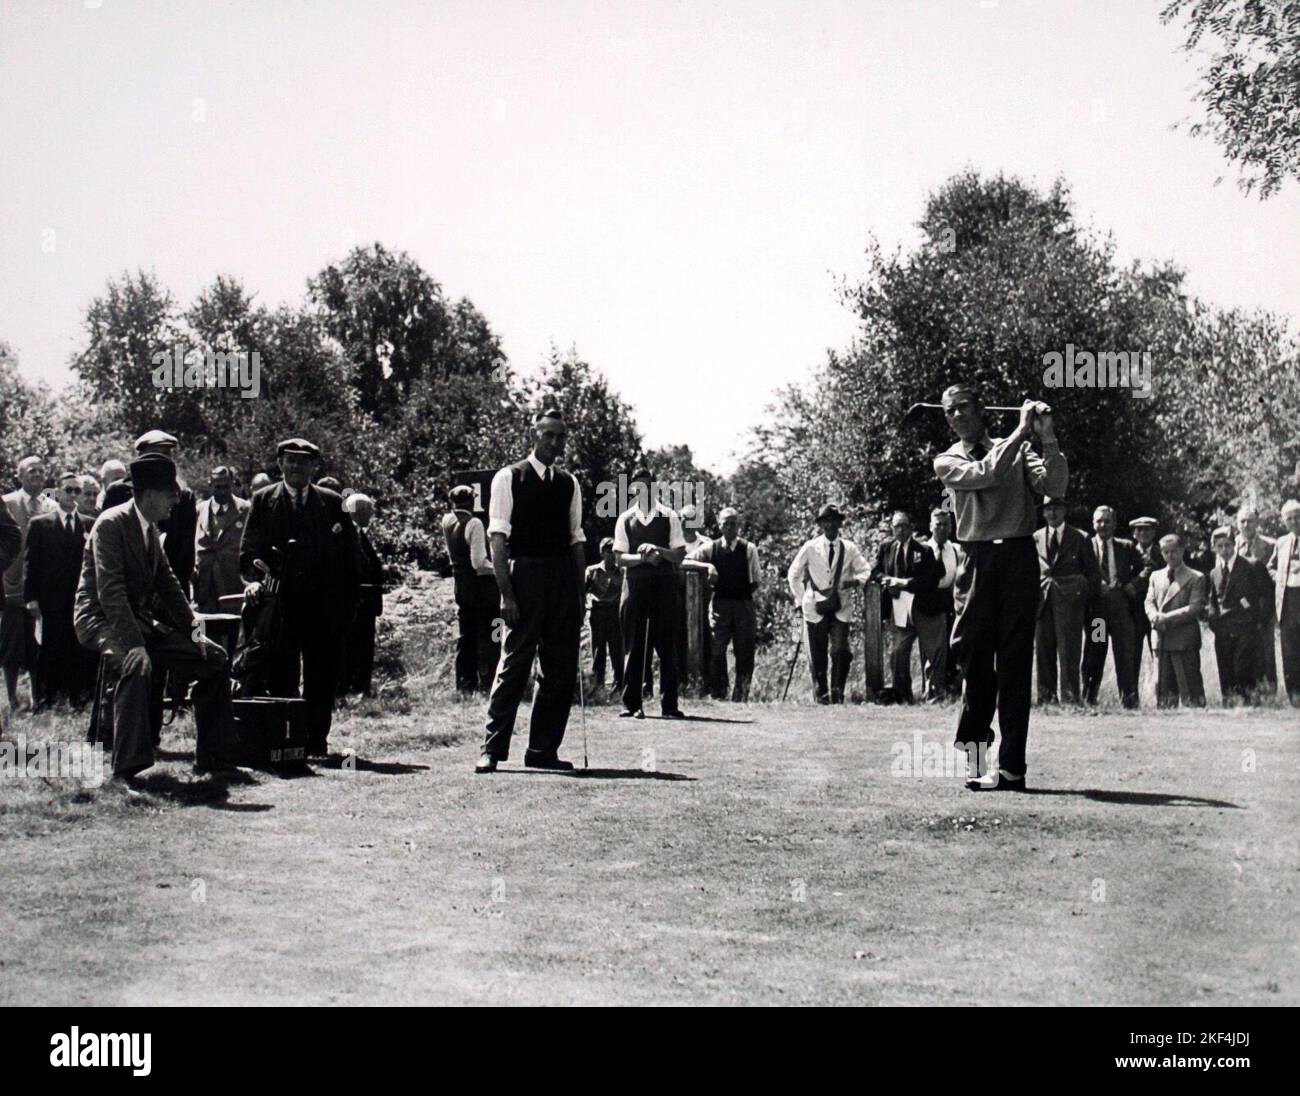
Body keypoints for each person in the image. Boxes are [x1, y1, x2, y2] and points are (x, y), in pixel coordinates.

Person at [934, 387, 1066, 791]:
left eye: (963, 406)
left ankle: (1012, 767)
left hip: (1017, 558)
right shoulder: (948, 459)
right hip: (975, 561)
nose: (956, 415)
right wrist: (1022, 430)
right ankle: (976, 759)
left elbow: (1054, 488)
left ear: (981, 409)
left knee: (1013, 664)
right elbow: (986, 473)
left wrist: (1047, 439)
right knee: (974, 660)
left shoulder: (1020, 448)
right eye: (949, 410)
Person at [73, 453, 235, 779]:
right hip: (100, 619)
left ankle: (214, 759)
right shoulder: (110, 525)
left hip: (139, 621)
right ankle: (127, 770)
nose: (176, 500)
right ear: (148, 495)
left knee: (214, 659)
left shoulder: (149, 529)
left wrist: (195, 634)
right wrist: (134, 645)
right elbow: (111, 594)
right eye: (169, 493)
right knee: (136, 667)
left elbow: (170, 586)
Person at [476, 408, 586, 773]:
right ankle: (492, 749)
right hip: (524, 577)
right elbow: (497, 539)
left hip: (562, 582)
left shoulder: (570, 483)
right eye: (548, 434)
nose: (554, 442)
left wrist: (579, 589)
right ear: (534, 434)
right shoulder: (509, 477)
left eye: (560, 436)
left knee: (559, 669)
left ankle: (542, 750)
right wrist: (506, 593)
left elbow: (576, 539)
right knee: (514, 663)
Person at [240, 438, 358, 756]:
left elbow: (352, 559)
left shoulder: (332, 503)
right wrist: (253, 583)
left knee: (322, 675)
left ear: (313, 467)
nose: (296, 467)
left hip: (323, 608)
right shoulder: (263, 500)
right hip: (281, 606)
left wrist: (348, 607)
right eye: (290, 461)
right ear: (279, 465)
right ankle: (287, 742)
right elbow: (248, 551)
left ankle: (316, 740)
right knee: (282, 673)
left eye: (303, 462)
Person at [614, 466, 688, 719]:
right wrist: (644, 557)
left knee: (667, 646)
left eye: (647, 486)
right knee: (634, 646)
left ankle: (670, 706)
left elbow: (679, 554)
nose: (642, 491)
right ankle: (631, 703)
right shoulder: (625, 518)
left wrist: (658, 550)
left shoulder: (669, 516)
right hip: (635, 588)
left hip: (664, 587)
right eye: (638, 487)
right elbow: (620, 558)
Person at [23, 472, 94, 708]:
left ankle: (78, 696)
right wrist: (31, 597)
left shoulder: (89, 523)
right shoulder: (41, 524)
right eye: (68, 490)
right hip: (50, 598)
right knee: (50, 646)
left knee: (78, 646)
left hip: (79, 598)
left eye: (77, 490)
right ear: (58, 492)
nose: (73, 495)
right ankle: (48, 698)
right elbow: (30, 563)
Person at [787, 503, 870, 704]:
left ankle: (838, 693)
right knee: (817, 654)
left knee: (841, 650)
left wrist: (854, 581)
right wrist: (800, 599)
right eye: (826, 521)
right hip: (814, 607)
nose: (831, 525)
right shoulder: (810, 547)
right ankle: (821, 696)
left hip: (841, 607)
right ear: (821, 524)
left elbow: (866, 570)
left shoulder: (849, 548)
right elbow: (793, 574)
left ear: (840, 524)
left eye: (834, 521)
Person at [1033, 496, 1100, 705]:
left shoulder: (1080, 538)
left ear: (1064, 511)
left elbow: (1093, 574)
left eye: (1056, 509)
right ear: (1043, 513)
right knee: (1043, 651)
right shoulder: (1034, 538)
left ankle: (1070, 698)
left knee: (1069, 651)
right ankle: (1046, 698)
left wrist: (1079, 593)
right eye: (1048, 509)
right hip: (1042, 602)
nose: (1052, 513)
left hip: (1070, 604)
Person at [868, 510, 939, 705]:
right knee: (898, 652)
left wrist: (905, 583)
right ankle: (902, 694)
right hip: (898, 608)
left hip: (922, 608)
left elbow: (931, 579)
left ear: (911, 527)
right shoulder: (886, 548)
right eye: (896, 526)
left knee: (931, 652)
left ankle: (933, 695)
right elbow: (874, 571)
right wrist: (887, 582)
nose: (900, 530)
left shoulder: (924, 551)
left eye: (904, 525)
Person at [2, 456, 56, 712]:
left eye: (41, 470)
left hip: (41, 585)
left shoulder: (51, 505)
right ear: (20, 475)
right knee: (11, 644)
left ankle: (38, 697)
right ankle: (12, 698)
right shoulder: (8, 502)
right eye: (31, 470)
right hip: (11, 583)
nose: (37, 474)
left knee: (38, 645)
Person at [692, 506, 760, 701]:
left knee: (744, 650)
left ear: (739, 526)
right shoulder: (709, 548)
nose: (730, 528)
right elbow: (684, 561)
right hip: (719, 604)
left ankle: (741, 695)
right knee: (717, 649)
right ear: (719, 526)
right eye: (726, 524)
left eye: (733, 524)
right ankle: (718, 693)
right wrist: (706, 566)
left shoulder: (749, 549)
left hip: (743, 604)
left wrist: (740, 595)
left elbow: (756, 579)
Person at [1081, 505, 1143, 709]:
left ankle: (1129, 700)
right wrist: (1094, 584)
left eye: (1107, 521)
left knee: (1124, 652)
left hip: (1120, 608)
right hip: (1098, 611)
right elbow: (1079, 572)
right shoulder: (1086, 546)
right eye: (1099, 521)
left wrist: (1134, 584)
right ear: (1093, 524)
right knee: (1096, 651)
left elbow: (1147, 567)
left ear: (1115, 524)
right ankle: (1089, 698)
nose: (1103, 525)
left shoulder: (1126, 546)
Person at [442, 485, 499, 695]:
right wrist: (502, 569)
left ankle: (464, 683)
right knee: (489, 636)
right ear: (471, 501)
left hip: (461, 586)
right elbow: (479, 563)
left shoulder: (447, 521)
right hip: (480, 588)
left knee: (466, 636)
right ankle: (488, 681)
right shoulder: (474, 523)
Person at [1206, 525, 1270, 705]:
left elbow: (1267, 595)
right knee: (1226, 672)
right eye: (1219, 546)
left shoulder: (1251, 565)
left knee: (1243, 671)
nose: (1224, 550)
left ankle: (1247, 708)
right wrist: (1213, 622)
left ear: (1234, 544)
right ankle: (1229, 708)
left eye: (1227, 545)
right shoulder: (1214, 572)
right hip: (1223, 631)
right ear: (1215, 548)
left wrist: (1260, 622)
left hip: (1246, 629)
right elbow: (1213, 600)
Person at [193, 465, 250, 658]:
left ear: (232, 485)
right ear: (210, 486)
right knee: (203, 626)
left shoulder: (245, 509)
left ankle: (233, 670)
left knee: (234, 629)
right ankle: (202, 665)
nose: (222, 491)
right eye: (217, 487)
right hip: (205, 583)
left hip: (232, 581)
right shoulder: (199, 510)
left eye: (226, 486)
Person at [1145, 533, 1207, 708]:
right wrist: (1153, 616)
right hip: (1161, 639)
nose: (1170, 556)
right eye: (1166, 552)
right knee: (1164, 695)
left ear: (1182, 551)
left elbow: (1195, 607)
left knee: (1191, 693)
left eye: (1174, 551)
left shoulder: (1196, 577)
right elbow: (1149, 601)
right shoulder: (1155, 576)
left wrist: (1166, 617)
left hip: (1183, 640)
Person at [134, 431, 198, 597]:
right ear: (142, 456)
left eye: (167, 455)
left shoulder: (183, 497)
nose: (163, 461)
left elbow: (185, 554)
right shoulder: (122, 492)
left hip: (169, 590)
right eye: (157, 455)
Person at [915, 508, 962, 703]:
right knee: (932, 650)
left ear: (951, 527)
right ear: (930, 527)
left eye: (946, 525)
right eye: (938, 525)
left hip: (949, 602)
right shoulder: (922, 550)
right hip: (927, 604)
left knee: (951, 649)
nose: (942, 529)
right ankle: (932, 691)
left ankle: (949, 689)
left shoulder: (956, 550)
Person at [341, 493, 384, 696]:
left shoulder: (358, 534)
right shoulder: (347, 536)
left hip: (365, 603)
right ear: (358, 513)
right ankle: (353, 686)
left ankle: (360, 687)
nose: (372, 514)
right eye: (369, 510)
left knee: (362, 646)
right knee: (354, 646)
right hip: (356, 602)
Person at [1236, 506, 1278, 695]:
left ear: (1257, 523)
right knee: (1243, 650)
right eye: (1242, 521)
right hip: (1238, 608)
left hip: (1263, 607)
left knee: (1266, 651)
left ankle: (1269, 693)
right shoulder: (1230, 544)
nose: (1246, 525)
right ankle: (1246, 692)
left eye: (1250, 520)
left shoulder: (1271, 545)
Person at [1266, 499, 1300, 706]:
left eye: (1297, 517)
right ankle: (1295, 698)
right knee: (1290, 653)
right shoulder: (1281, 542)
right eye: (1290, 518)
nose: (1294, 521)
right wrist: (1280, 577)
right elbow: (1269, 567)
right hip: (1287, 603)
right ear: (1284, 521)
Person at [584, 537, 624, 693]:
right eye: (608, 551)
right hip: (598, 612)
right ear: (602, 552)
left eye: (613, 551)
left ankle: (618, 684)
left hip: (614, 612)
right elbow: (583, 590)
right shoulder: (592, 571)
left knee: (616, 649)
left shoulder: (621, 572)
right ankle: (597, 685)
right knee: (598, 649)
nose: (611, 555)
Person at [1129, 516, 1161, 689]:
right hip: (1134, 613)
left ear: (1154, 532)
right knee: (1132, 656)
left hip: (1156, 612)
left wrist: (1135, 583)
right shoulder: (1127, 551)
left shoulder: (1162, 552)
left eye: (1147, 529)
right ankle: (1131, 697)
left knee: (1158, 654)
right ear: (1134, 533)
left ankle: (1163, 697)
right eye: (1139, 530)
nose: (1143, 533)